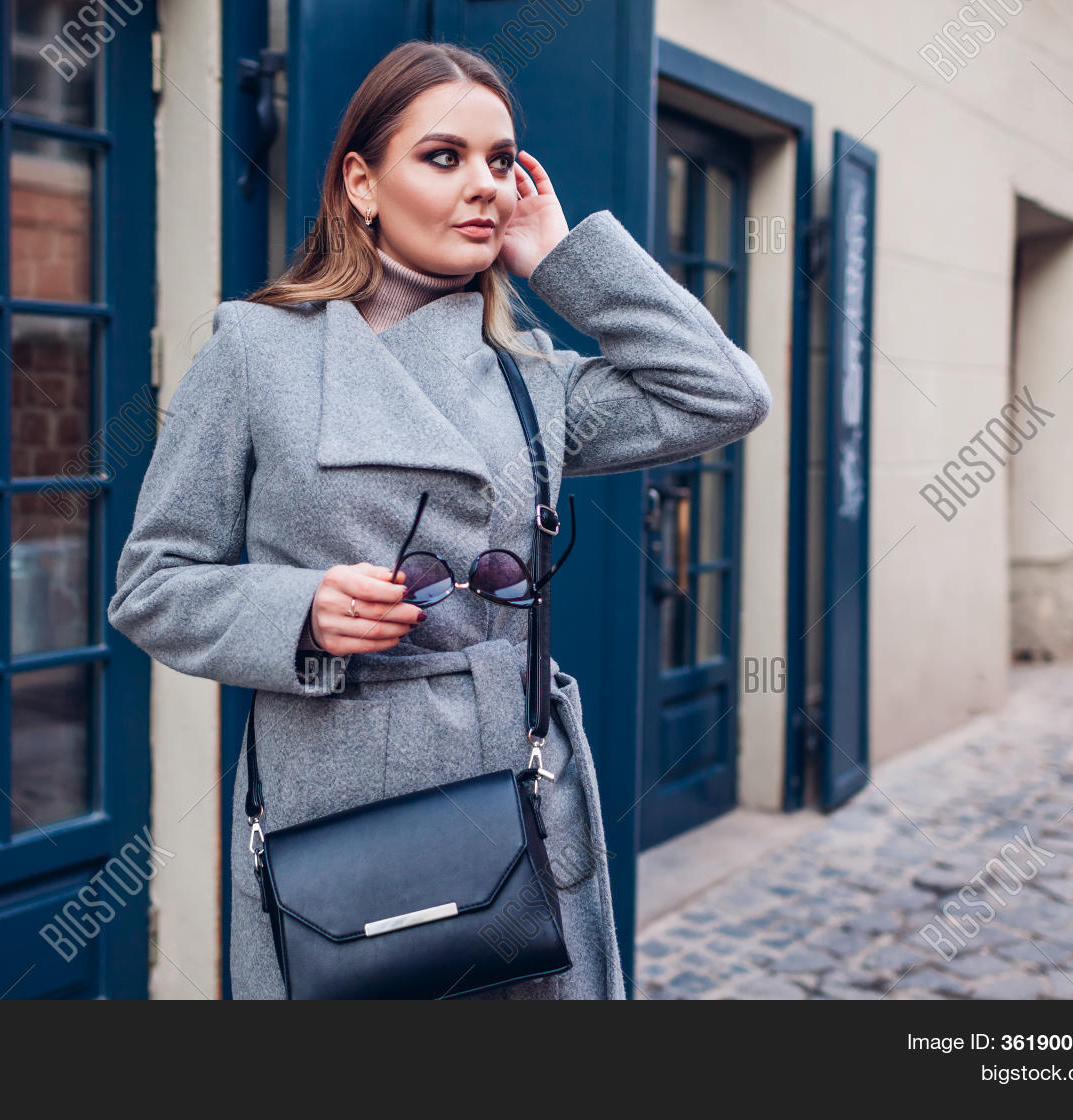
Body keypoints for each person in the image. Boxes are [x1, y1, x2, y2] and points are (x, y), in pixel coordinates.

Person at [107, 40, 773, 999]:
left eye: (501, 162)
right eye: (444, 156)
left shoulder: (529, 374)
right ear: (361, 184)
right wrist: (299, 611)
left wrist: (564, 260)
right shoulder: (257, 350)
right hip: (336, 803)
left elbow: (724, 394)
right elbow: (155, 583)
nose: (486, 188)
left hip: (514, 795)